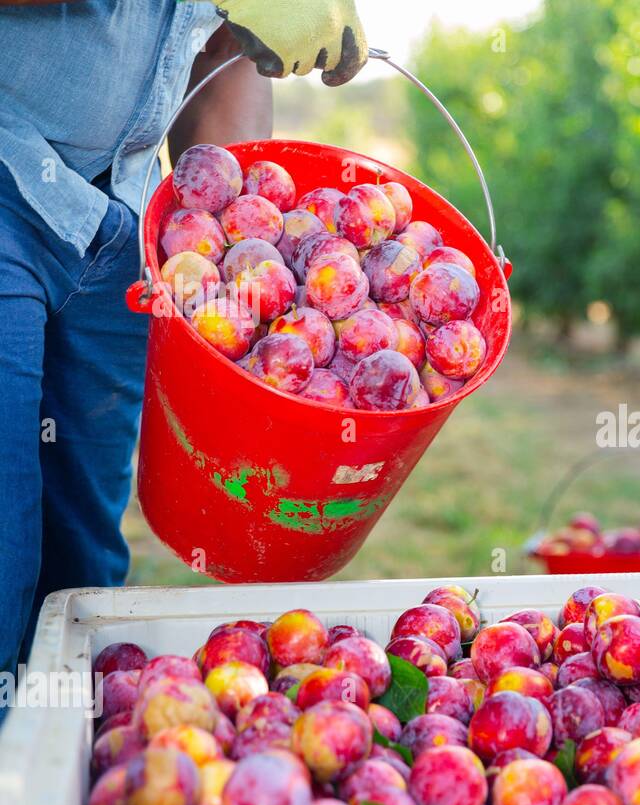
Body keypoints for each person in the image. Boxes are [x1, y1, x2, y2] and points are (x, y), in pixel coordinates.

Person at [0, 0, 369, 674]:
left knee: (80, 571)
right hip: (8, 169)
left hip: (119, 225)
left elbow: (221, 55)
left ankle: (39, 764)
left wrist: (240, 252)